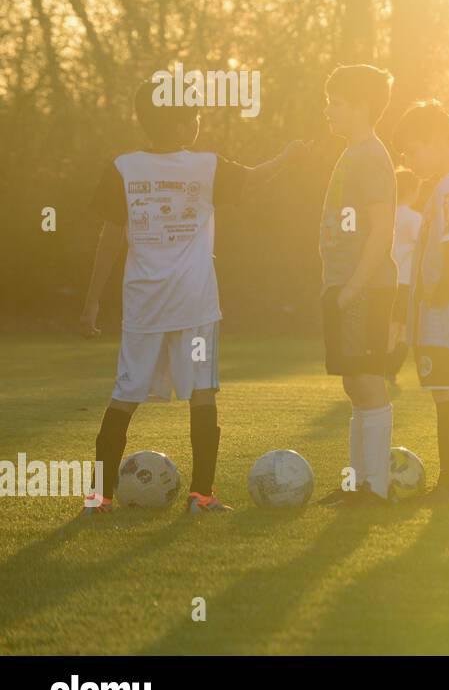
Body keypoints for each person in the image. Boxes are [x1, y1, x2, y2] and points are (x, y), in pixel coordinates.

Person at [81, 80, 304, 515]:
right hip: (194, 304)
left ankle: (99, 497)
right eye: (195, 114)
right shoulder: (206, 166)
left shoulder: (123, 167)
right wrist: (289, 155)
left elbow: (109, 240)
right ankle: (202, 496)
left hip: (143, 306)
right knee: (202, 391)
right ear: (184, 122)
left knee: (125, 395)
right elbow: (255, 179)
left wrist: (91, 302)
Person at [318, 64, 399, 507]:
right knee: (353, 383)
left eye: (336, 102)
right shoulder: (351, 153)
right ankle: (356, 485)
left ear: (361, 107)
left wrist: (352, 288)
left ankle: (376, 487)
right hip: (344, 286)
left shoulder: (371, 155)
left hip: (364, 288)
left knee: (367, 380)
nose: (328, 110)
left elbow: (381, 231)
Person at [394, 101, 449, 502]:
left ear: (438, 140)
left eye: (412, 150)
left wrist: (439, 296)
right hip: (444, 314)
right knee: (447, 395)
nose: (408, 161)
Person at [385, 167, 423, 389]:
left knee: (387, 325)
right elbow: (423, 248)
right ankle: (389, 370)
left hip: (385, 279)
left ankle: (380, 368)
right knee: (402, 330)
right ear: (413, 191)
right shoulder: (413, 218)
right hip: (405, 280)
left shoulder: (385, 214)